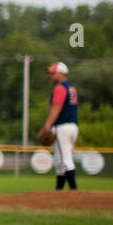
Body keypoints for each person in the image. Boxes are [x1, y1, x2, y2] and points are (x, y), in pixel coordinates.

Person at [39, 61, 79, 190]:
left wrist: (47, 125)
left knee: (66, 159)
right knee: (59, 160)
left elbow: (56, 108)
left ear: (61, 73)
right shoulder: (71, 88)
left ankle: (74, 189)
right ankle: (59, 190)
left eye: (53, 73)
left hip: (62, 127)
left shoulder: (60, 88)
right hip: (72, 126)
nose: (51, 75)